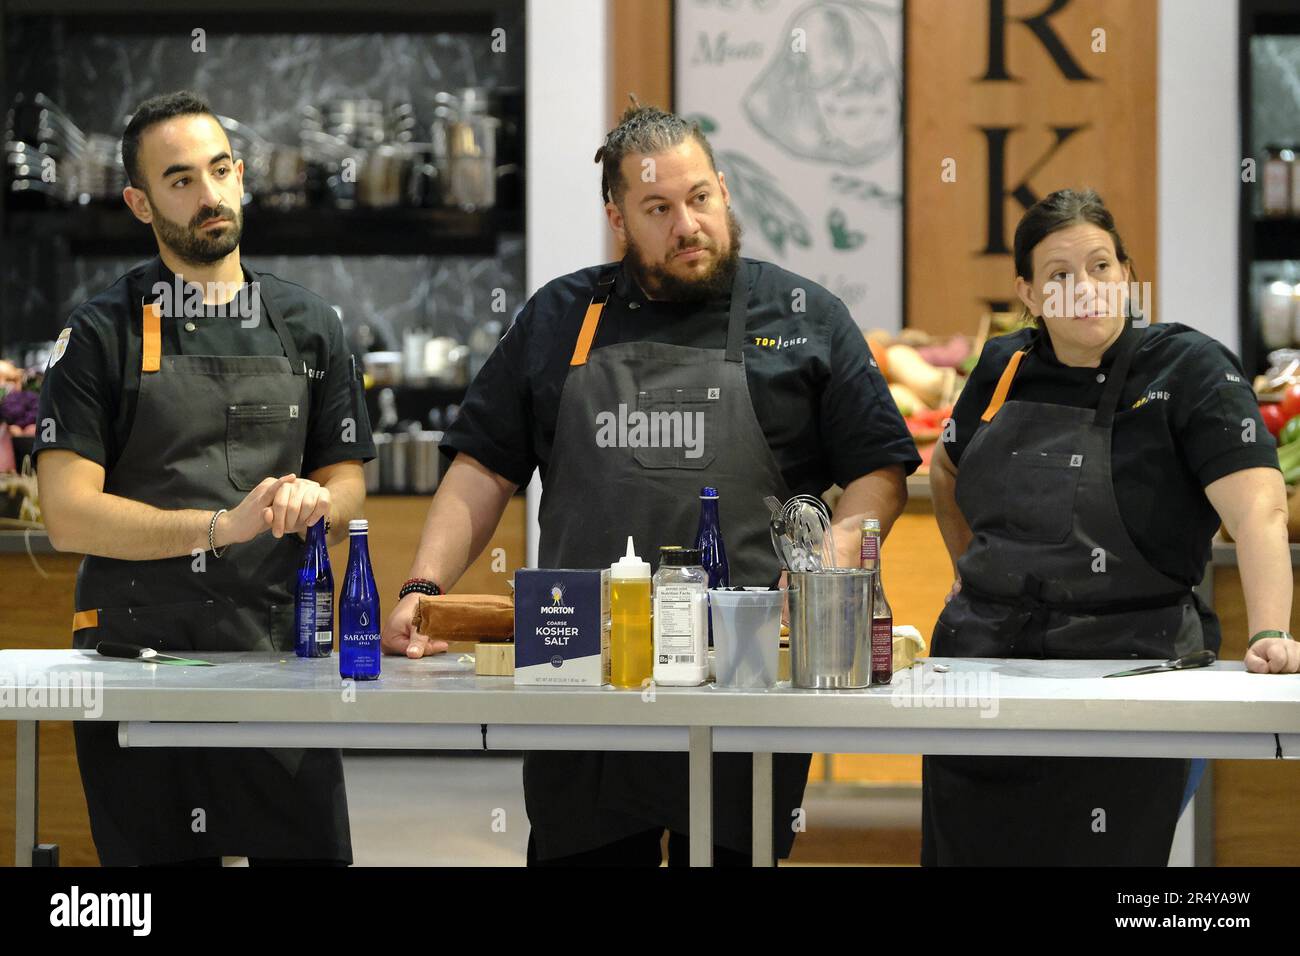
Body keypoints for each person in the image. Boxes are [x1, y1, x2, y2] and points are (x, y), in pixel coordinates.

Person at [381, 104, 920, 866]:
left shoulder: (805, 318)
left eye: (700, 198)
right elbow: (483, 468)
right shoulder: (560, 318)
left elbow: (879, 470)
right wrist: (425, 585)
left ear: (725, 192)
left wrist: (828, 564)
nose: (687, 224)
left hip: (748, 669)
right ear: (618, 217)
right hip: (576, 662)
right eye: (658, 209)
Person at [34, 90, 375, 866]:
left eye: (220, 170)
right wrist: (224, 527)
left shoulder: (310, 324)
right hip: (137, 663)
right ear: (139, 202)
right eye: (180, 179)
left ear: (243, 175)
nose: (210, 194)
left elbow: (349, 489)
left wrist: (315, 499)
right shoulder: (99, 335)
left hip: (280, 661)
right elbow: (68, 516)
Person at [926, 187, 1299, 866]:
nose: (1085, 289)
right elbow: (945, 473)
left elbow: (1259, 509)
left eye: (1101, 267)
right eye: (1059, 275)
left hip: (1133, 677)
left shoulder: (1189, 370)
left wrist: (1272, 631)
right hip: (982, 674)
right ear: (1029, 294)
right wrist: (968, 573)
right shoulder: (1002, 367)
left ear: (1128, 275)